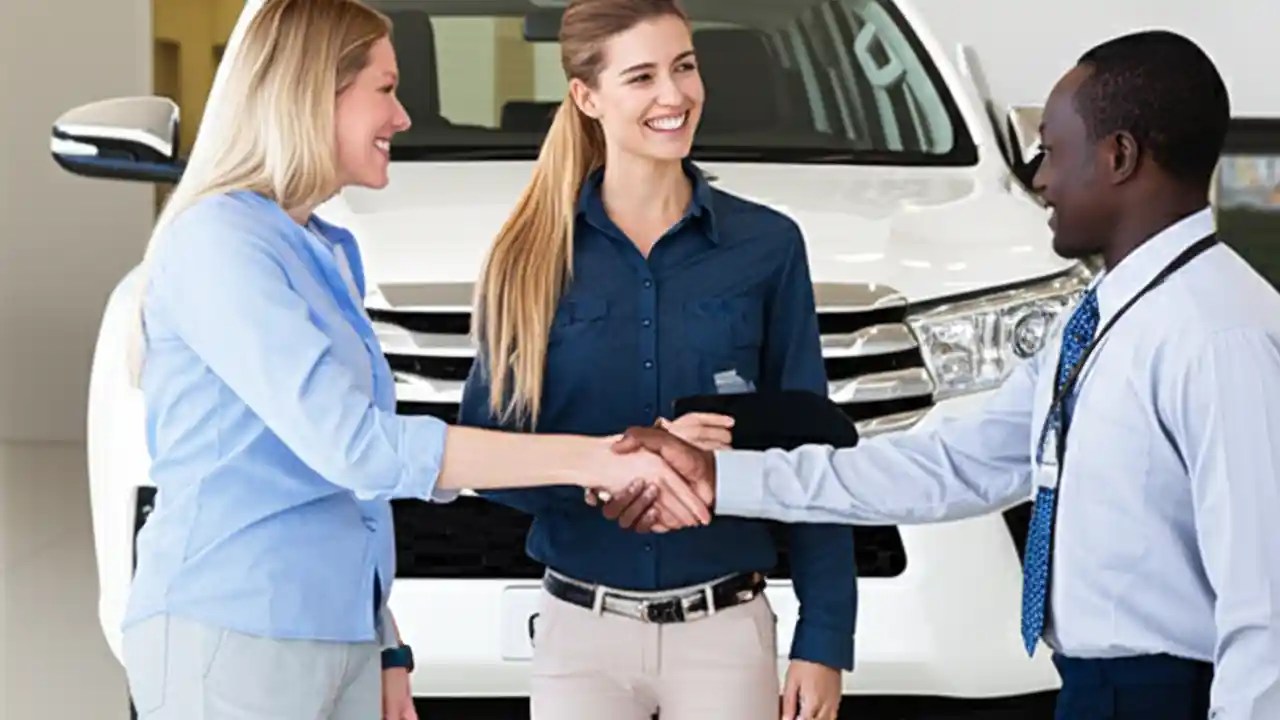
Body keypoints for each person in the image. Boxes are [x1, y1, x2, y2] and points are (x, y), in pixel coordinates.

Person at [615, 30, 1280, 720]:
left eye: (1052, 152)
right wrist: (719, 477)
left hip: (1173, 695)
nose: (1040, 179)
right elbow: (951, 466)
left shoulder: (1220, 335)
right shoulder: (1099, 319)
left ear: (1118, 157)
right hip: (1096, 689)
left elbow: (1267, 602)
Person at [117, 2, 708, 719]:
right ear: (313, 93)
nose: (401, 118)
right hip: (233, 632)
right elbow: (356, 447)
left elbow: (347, 496)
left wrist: (383, 644)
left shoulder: (326, 250)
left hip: (338, 635)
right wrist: (594, 460)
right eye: (387, 89)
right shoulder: (219, 243)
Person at [457, 1, 856, 718]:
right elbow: (484, 453)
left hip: (725, 631)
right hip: (579, 637)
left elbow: (813, 447)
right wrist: (604, 474)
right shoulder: (529, 255)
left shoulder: (768, 246)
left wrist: (823, 637)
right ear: (587, 97)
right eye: (641, 77)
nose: (674, 95)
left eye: (684, 67)